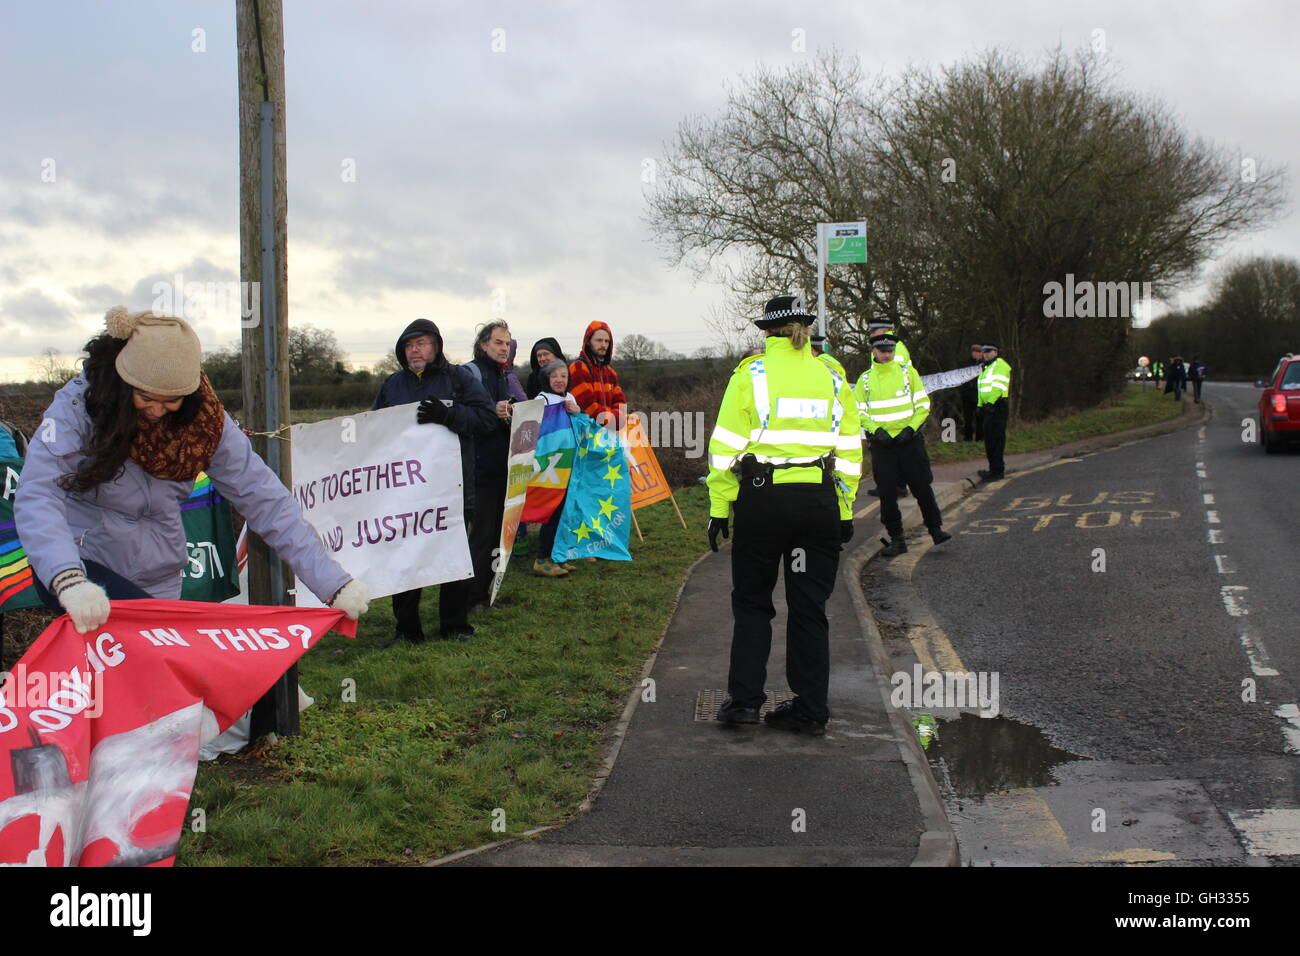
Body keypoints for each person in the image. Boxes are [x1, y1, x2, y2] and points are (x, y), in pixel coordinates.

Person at [14, 308, 370, 633]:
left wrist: (331, 582)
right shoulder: (78, 408)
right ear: (124, 383)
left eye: (171, 401)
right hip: (83, 568)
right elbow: (38, 495)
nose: (157, 411)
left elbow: (265, 498)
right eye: (146, 398)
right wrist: (68, 579)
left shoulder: (205, 423)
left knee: (150, 691)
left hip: (160, 573)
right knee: (155, 673)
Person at [706, 295, 862, 737]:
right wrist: (846, 507)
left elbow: (723, 450)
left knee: (754, 603)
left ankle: (744, 704)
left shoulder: (750, 374)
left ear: (767, 331)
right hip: (818, 502)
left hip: (763, 500)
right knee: (810, 608)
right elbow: (850, 449)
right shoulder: (832, 375)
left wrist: (720, 509)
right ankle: (811, 709)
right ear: (805, 330)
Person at [371, 318, 494, 641]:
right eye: (409, 345)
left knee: (453, 555)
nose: (415, 350)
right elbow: (373, 431)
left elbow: (485, 419)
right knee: (405, 557)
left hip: (453, 486)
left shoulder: (459, 379)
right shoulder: (392, 385)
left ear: (436, 346)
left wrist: (449, 416)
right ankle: (407, 629)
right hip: (405, 491)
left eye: (422, 343)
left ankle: (454, 625)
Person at [855, 336, 952, 557]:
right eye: (882, 350)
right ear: (874, 352)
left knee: (922, 487)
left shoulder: (909, 374)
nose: (887, 354)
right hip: (882, 445)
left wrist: (911, 428)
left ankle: (935, 529)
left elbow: (922, 405)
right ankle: (897, 539)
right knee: (887, 494)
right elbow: (858, 411)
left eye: (890, 350)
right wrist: (876, 431)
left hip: (909, 442)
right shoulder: (865, 380)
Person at [464, 321, 516, 609]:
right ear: (483, 344)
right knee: (482, 535)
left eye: (507, 343)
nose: (504, 348)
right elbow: (465, 414)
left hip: (502, 467)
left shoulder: (502, 375)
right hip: (480, 469)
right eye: (498, 342)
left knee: (498, 533)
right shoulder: (470, 373)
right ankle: (472, 597)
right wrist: (491, 411)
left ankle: (487, 593)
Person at [532, 359, 583, 578]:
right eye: (554, 376)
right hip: (551, 466)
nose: (560, 380)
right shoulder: (541, 400)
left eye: (563, 376)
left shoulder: (570, 398)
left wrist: (577, 410)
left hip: (569, 464)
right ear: (546, 379)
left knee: (565, 512)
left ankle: (557, 556)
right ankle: (542, 559)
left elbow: (580, 424)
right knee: (552, 513)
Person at [568, 322, 626, 430]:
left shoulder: (611, 373)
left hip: (608, 436)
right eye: (599, 340)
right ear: (588, 342)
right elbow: (588, 409)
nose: (603, 345)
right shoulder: (578, 368)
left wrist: (616, 420)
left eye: (607, 341)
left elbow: (621, 405)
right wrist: (615, 420)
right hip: (586, 436)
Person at [976, 343, 1011, 481]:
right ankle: (993, 469)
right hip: (988, 407)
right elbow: (981, 388)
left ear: (996, 352)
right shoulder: (986, 368)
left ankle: (997, 471)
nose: (985, 353)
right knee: (989, 440)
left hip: (997, 406)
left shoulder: (1000, 366)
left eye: (988, 351)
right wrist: (979, 405)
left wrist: (990, 403)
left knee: (996, 440)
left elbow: (997, 386)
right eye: (983, 351)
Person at [960, 343, 984, 443]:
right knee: (968, 419)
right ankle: (968, 438)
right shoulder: (965, 364)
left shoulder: (984, 365)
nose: (975, 354)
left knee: (980, 419)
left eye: (977, 352)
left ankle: (980, 438)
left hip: (980, 396)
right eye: (973, 352)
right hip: (967, 396)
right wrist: (964, 393)